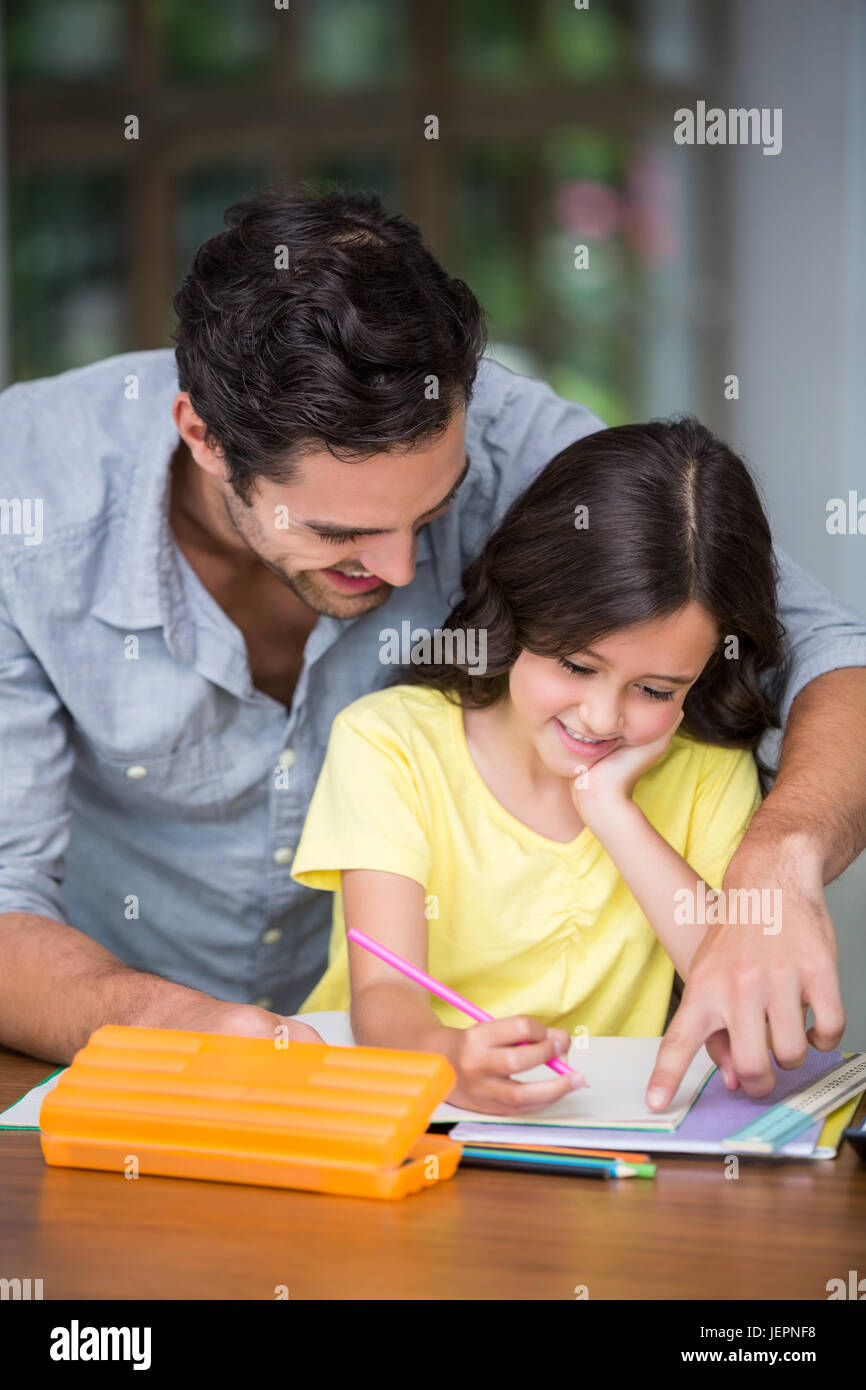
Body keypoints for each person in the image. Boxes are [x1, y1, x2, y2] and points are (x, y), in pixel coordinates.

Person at [0, 189, 863, 1110]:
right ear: (205, 439)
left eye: (437, 513)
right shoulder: (28, 499)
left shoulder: (519, 447)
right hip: (122, 1053)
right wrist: (173, 1024)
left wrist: (782, 860)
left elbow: (826, 649)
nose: (403, 566)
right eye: (341, 532)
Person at [289, 418, 796, 1112]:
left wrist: (612, 811)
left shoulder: (707, 772)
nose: (599, 717)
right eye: (576, 665)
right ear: (518, 610)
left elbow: (744, 1008)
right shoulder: (390, 744)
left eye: (655, 690)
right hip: (396, 1115)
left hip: (591, 1148)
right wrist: (450, 1062)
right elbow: (386, 992)